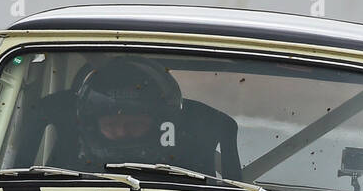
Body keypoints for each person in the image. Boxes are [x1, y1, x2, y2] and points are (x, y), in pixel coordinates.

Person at [29, 56, 242, 176]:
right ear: (91, 124)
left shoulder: (190, 168)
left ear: (160, 124)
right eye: (111, 124)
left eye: (134, 124)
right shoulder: (61, 172)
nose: (122, 132)